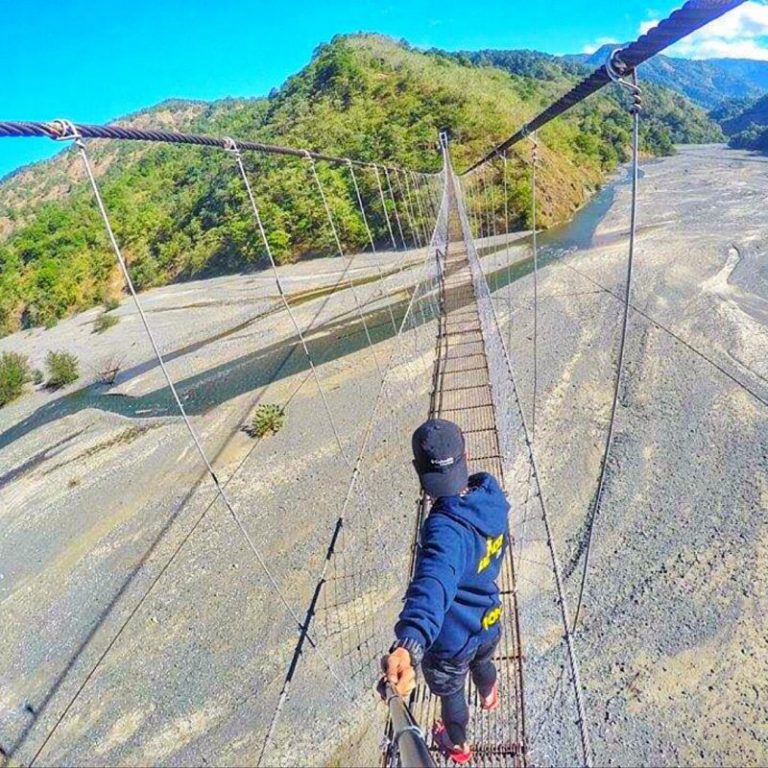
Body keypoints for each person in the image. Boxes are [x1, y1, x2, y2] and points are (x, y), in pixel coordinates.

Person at [381, 418, 509, 764]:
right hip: (489, 620)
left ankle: (456, 742)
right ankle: (489, 694)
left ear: (417, 470)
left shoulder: (443, 528)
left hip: (451, 642)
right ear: (465, 455)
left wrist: (410, 643)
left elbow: (434, 581)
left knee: (451, 692)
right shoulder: (490, 494)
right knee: (484, 661)